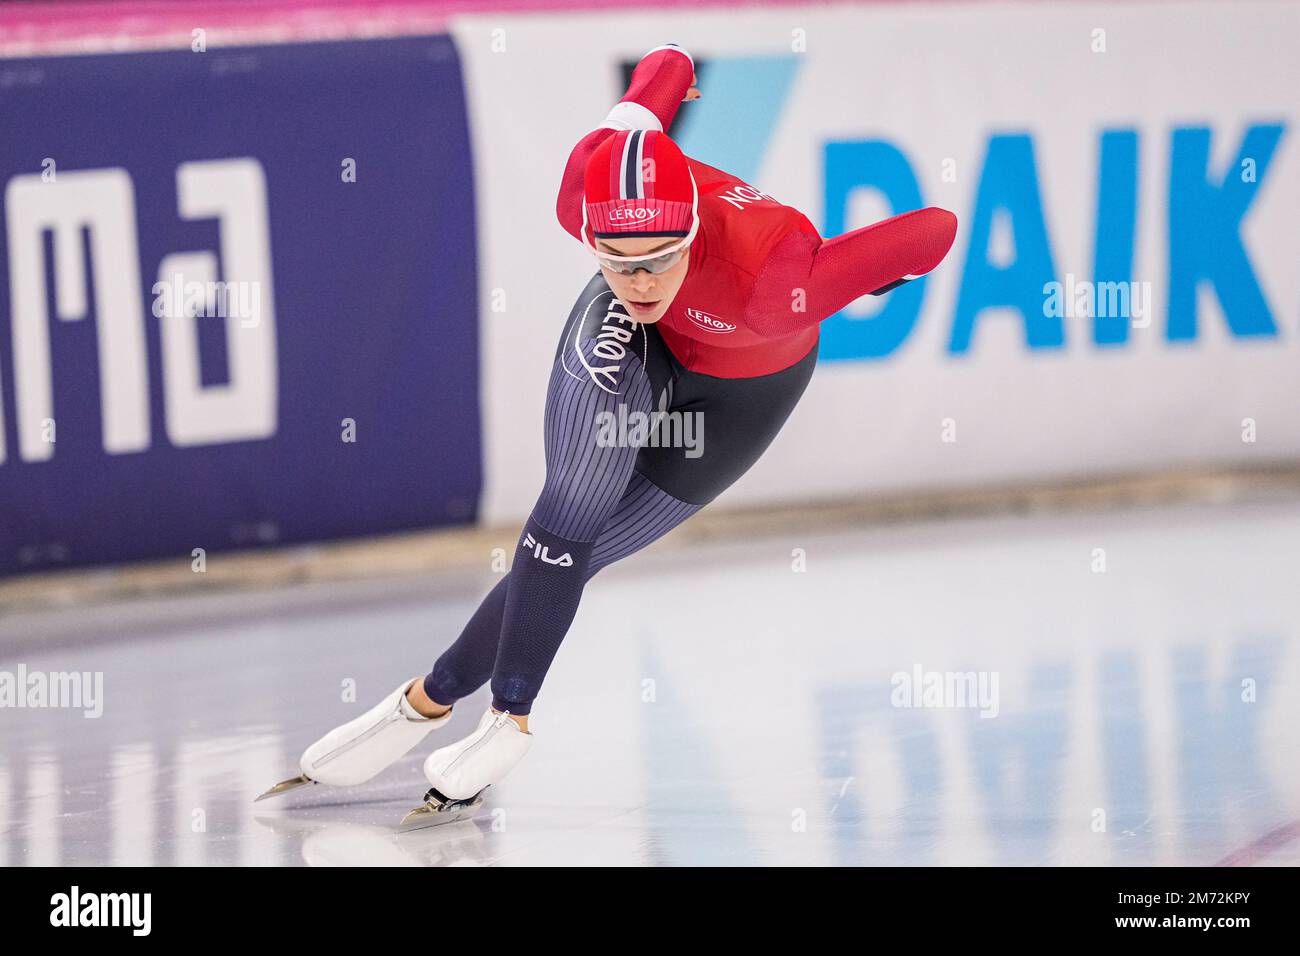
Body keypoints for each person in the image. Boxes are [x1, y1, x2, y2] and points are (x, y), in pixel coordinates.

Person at [260, 43, 957, 821]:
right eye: (616, 260)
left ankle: (427, 700)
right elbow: (658, 73)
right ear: (590, 234)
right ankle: (500, 718)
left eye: (660, 259)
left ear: (691, 230)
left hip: (741, 393)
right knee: (570, 508)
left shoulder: (780, 284)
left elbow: (936, 227)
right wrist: (673, 73)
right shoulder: (587, 192)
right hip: (637, 347)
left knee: (583, 554)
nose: (641, 281)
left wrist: (869, 270)